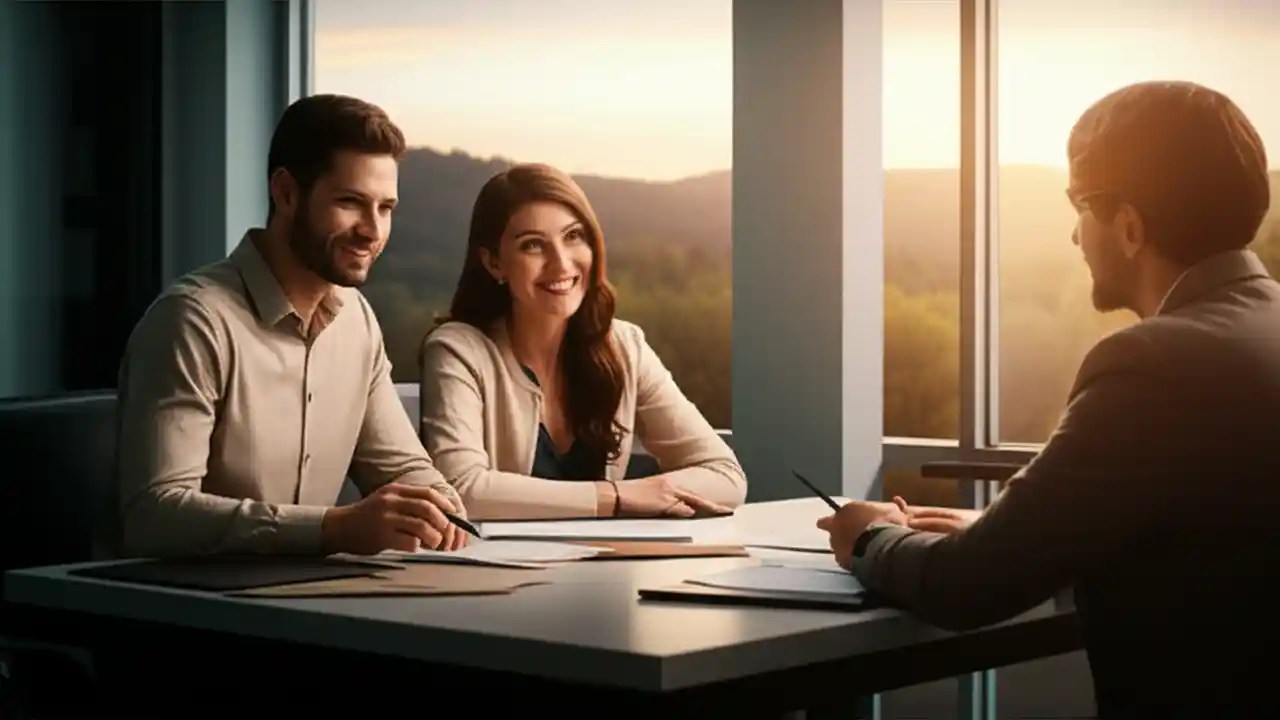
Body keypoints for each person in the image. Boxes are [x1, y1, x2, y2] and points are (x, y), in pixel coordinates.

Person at [818, 80, 1280, 717]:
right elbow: (1203, 541)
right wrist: (1001, 530)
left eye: (1078, 207)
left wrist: (868, 538)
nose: (1073, 238)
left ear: (1128, 225)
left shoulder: (1152, 364)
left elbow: (966, 587)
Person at [112, 94, 467, 558]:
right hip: (194, 611)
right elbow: (154, 515)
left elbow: (404, 470)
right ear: (286, 193)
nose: (372, 230)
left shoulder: (356, 320)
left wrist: (438, 504)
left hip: (312, 599)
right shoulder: (194, 320)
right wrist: (334, 528)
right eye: (351, 203)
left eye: (385, 208)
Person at [418, 163, 747, 520]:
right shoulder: (458, 349)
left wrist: (653, 492)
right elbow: (460, 488)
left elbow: (725, 475)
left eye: (573, 236)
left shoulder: (624, 346)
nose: (561, 263)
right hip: (497, 572)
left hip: (609, 570)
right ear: (494, 263)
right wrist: (618, 498)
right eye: (532, 245)